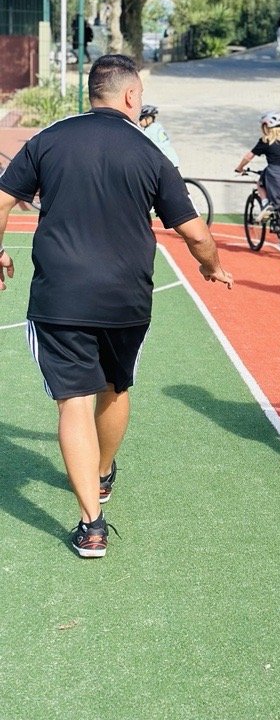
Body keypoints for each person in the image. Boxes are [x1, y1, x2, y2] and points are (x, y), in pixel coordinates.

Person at [0, 54, 233, 558]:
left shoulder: (49, 139)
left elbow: (1, 201)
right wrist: (211, 266)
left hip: (60, 296)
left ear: (92, 92)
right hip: (127, 299)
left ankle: (92, 526)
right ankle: (103, 473)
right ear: (130, 96)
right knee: (114, 385)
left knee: (73, 403)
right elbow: (194, 232)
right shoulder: (150, 153)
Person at [234, 110, 280, 213]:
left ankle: (265, 204)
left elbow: (249, 156)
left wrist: (240, 168)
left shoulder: (266, 140)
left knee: (260, 183)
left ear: (266, 126)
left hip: (275, 171)